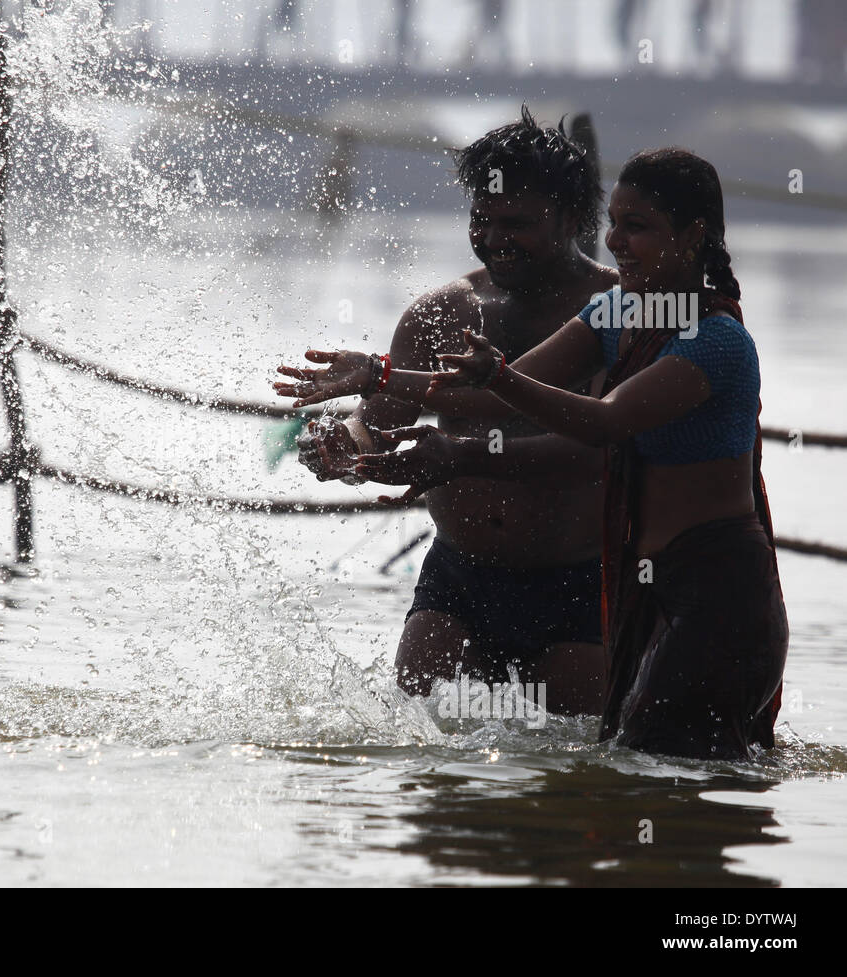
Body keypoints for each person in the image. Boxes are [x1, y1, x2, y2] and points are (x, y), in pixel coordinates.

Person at [279, 148, 786, 760]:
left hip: (696, 585)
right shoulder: (616, 312)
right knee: (629, 766)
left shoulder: (714, 339)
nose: (617, 241)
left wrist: (466, 438)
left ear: (693, 234)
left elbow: (601, 430)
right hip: (584, 581)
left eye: (637, 227)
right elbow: (494, 397)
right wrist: (377, 378)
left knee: (671, 767)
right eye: (617, 224)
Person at [288, 108, 616, 714]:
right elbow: (376, 426)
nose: (495, 240)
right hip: (460, 577)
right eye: (482, 221)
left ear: (571, 219)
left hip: (578, 581)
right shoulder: (441, 312)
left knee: (576, 780)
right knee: (419, 750)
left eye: (517, 224)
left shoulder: (618, 314)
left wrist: (463, 457)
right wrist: (338, 446)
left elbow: (610, 446)